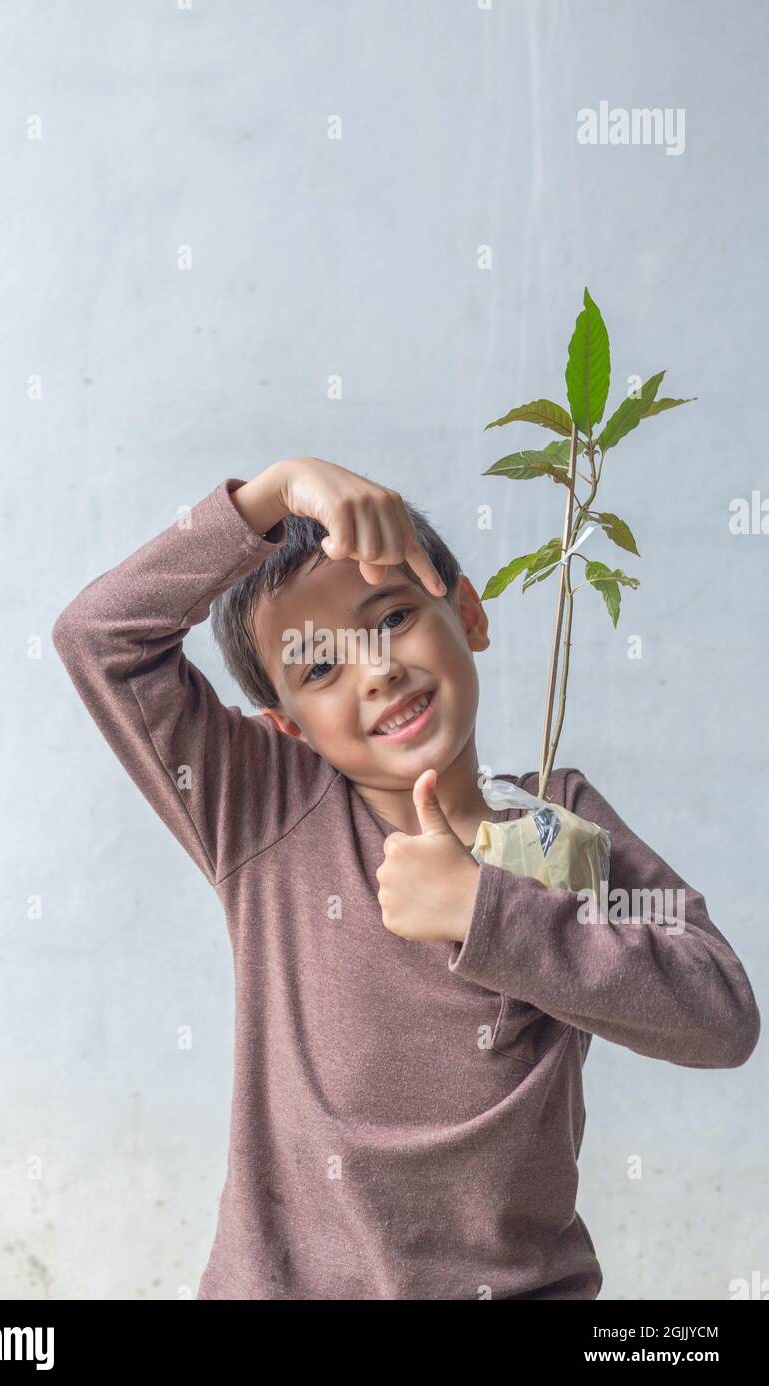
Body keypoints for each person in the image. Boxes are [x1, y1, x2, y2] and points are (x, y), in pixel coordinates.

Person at [52, 454, 760, 1300]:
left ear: (466, 613)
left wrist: (486, 912)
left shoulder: (561, 822)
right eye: (321, 667)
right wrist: (271, 495)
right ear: (289, 727)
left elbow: (720, 1017)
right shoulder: (264, 806)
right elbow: (98, 636)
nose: (376, 670)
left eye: (390, 617)